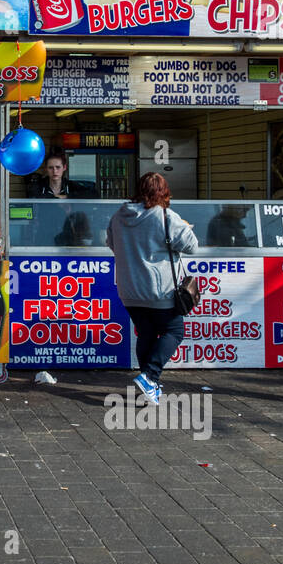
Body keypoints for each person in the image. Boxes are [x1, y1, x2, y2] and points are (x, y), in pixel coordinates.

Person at [107, 172, 198, 406]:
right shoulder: (165, 216)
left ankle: (151, 386)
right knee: (175, 331)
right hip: (160, 291)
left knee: (146, 333)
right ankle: (150, 376)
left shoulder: (119, 216)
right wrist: (186, 227)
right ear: (163, 192)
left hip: (129, 291)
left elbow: (111, 243)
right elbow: (192, 246)